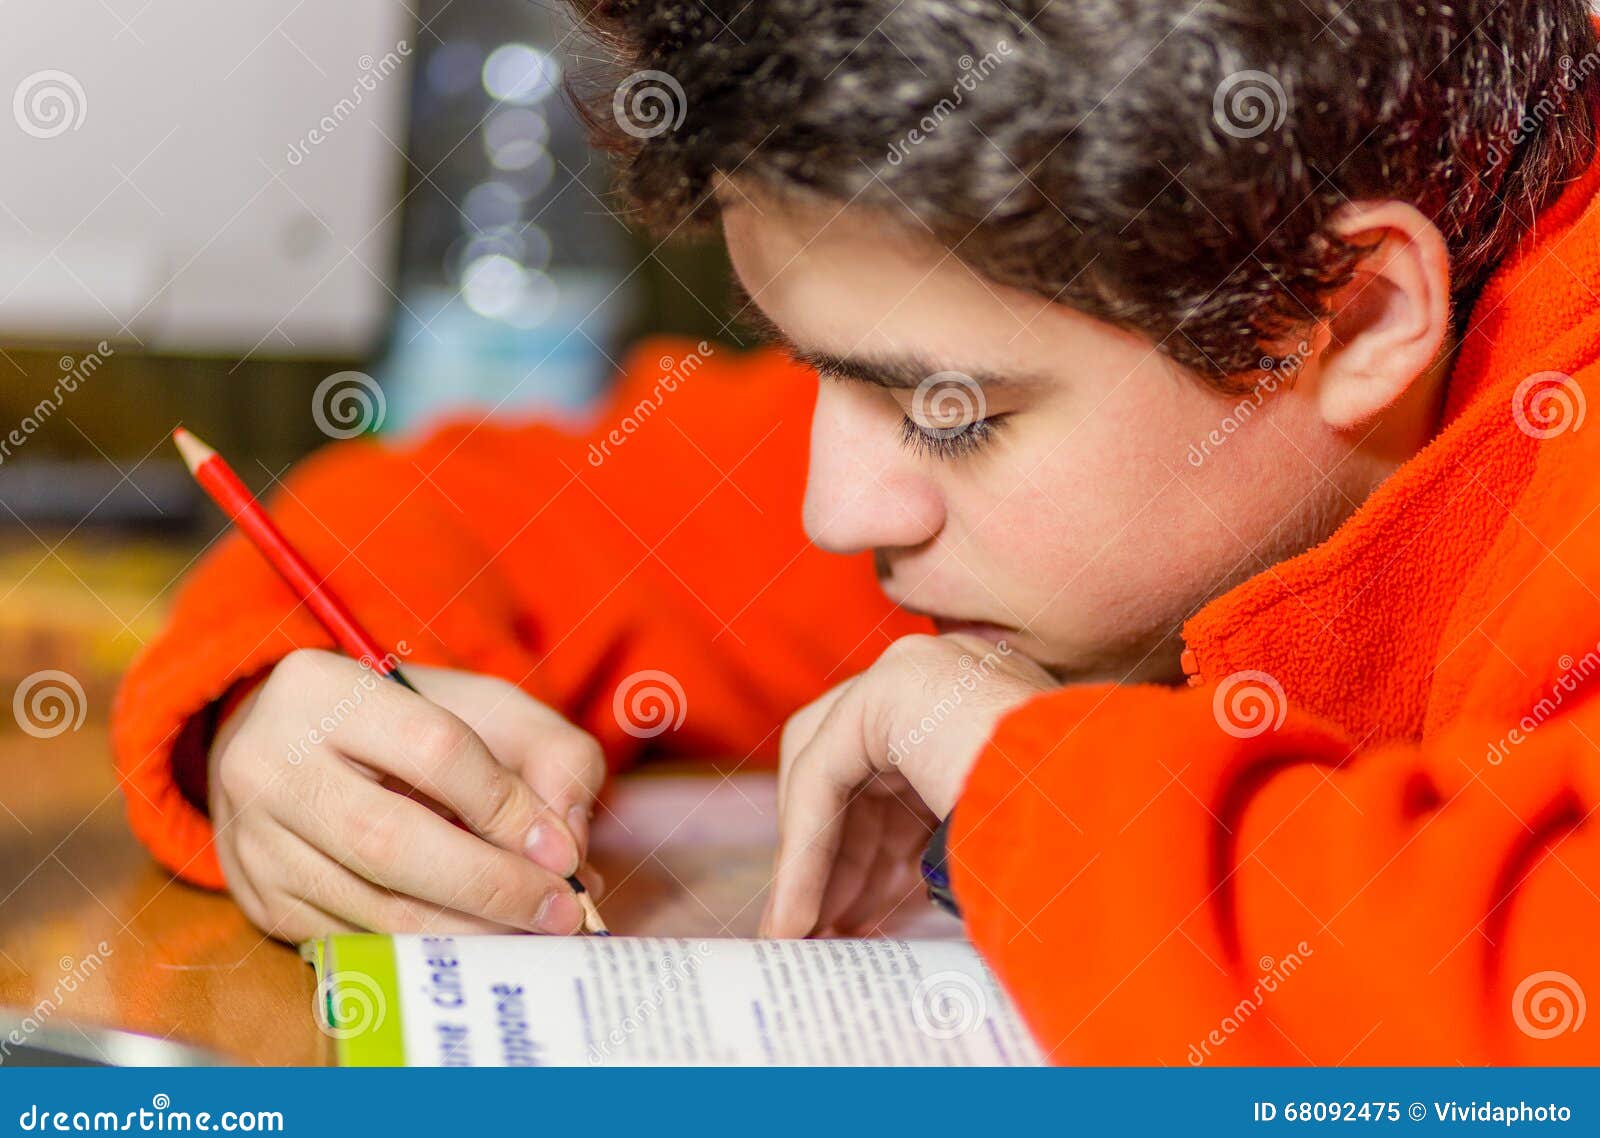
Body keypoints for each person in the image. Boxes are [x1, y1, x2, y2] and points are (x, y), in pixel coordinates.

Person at [114, 0, 1600, 1063]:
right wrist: (272, 721)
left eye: (948, 414)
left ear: (1353, 314)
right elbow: (489, 513)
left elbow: (1527, 998)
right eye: (817, 361)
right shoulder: (1131, 407)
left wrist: (1021, 766)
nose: (839, 505)